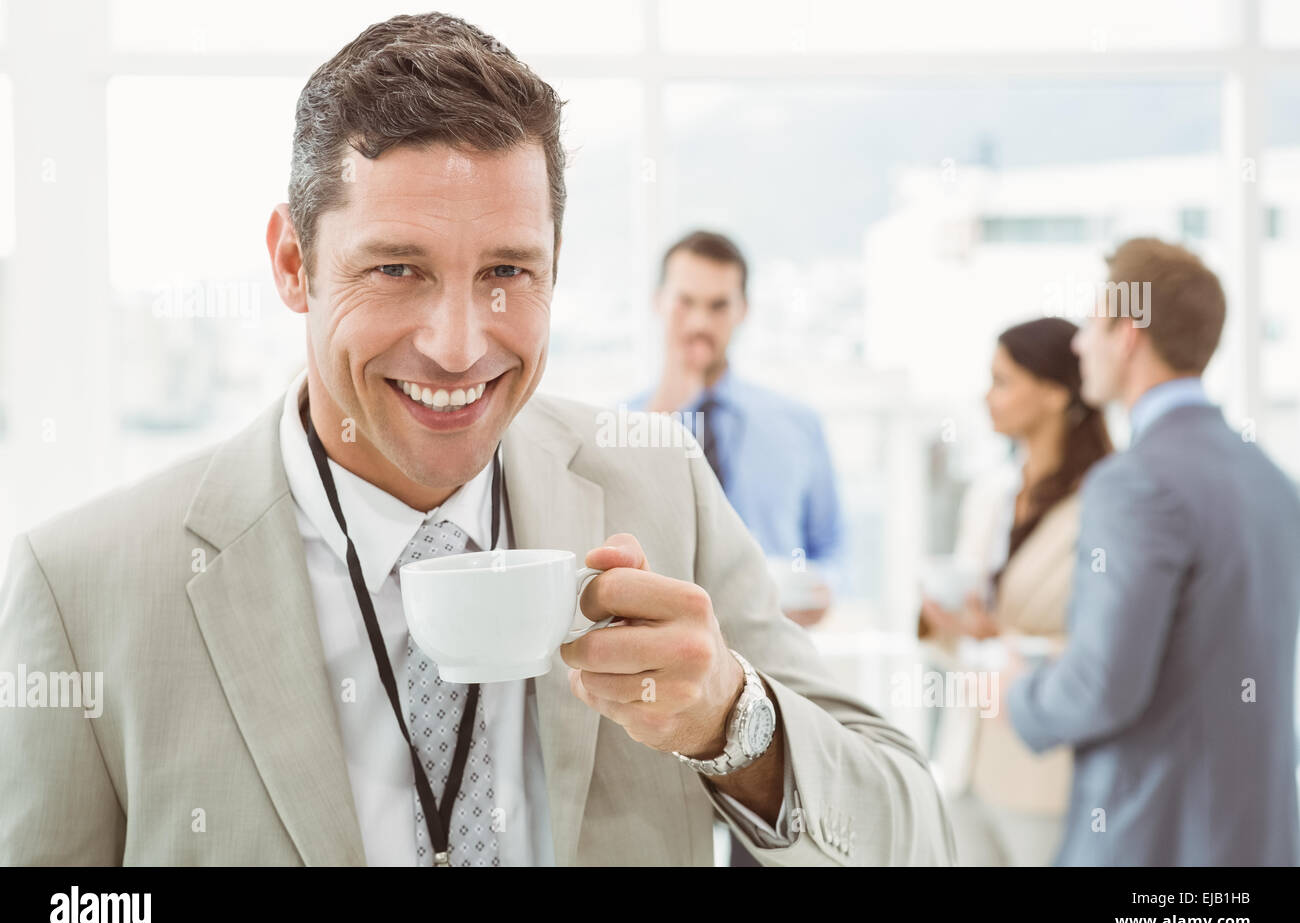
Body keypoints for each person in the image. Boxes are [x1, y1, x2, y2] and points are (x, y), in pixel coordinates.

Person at [0, 12, 954, 867]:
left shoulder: (660, 490)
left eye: (507, 270)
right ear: (296, 264)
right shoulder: (84, 589)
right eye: (398, 269)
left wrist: (730, 722)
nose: (458, 346)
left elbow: (914, 837)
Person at [1005, 237, 1300, 865]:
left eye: (1092, 323)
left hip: (1151, 852)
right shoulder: (1272, 481)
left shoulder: (1132, 482)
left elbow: (1102, 687)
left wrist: (1017, 692)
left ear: (1128, 333)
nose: (1081, 343)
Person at [920, 317, 1112, 866]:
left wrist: (1003, 638)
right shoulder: (991, 494)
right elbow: (968, 636)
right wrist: (947, 623)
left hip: (1045, 777)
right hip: (967, 766)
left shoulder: (1104, 502)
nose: (987, 396)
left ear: (1054, 393)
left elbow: (1111, 646)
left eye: (1003, 381)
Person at [627, 230, 846, 629]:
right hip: (659, 654)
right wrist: (665, 406)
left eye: (718, 306)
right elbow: (612, 532)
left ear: (743, 310)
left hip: (773, 650)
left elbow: (829, 547)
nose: (699, 322)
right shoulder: (618, 428)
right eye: (685, 302)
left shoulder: (797, 425)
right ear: (657, 302)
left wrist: (822, 588)